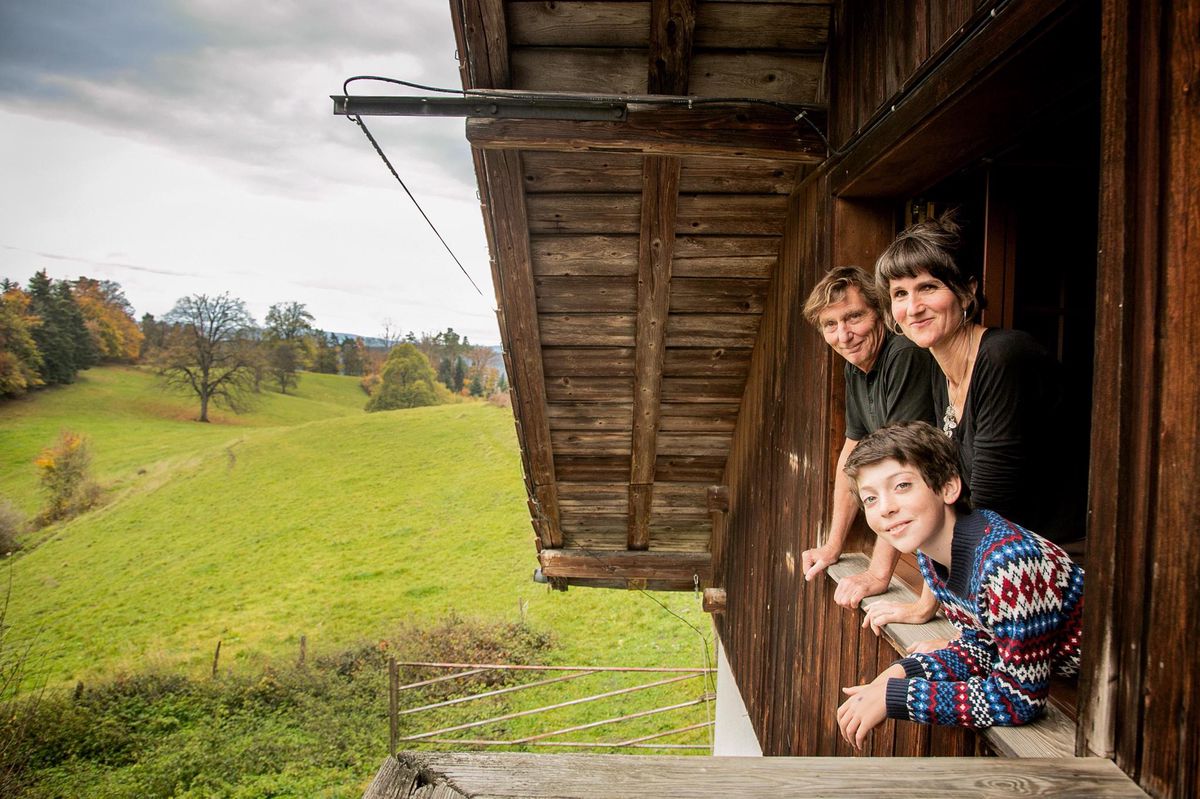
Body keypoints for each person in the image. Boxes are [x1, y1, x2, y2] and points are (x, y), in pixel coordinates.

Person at [835, 422, 1083, 747]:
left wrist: (898, 696)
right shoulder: (931, 555)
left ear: (949, 487)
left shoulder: (1007, 564)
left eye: (902, 485)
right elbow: (981, 644)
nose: (885, 508)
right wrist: (901, 673)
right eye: (870, 498)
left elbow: (1018, 699)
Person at [872, 213, 1083, 551]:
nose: (913, 308)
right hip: (1001, 551)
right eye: (900, 293)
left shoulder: (1003, 357)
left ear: (967, 291)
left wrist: (928, 602)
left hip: (1057, 556)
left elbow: (989, 504)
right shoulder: (941, 369)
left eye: (927, 287)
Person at [798, 266, 939, 613]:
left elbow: (905, 465)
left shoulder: (903, 355)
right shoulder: (856, 367)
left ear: (880, 312)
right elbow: (853, 454)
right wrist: (832, 546)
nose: (844, 336)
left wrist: (878, 573)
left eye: (853, 317)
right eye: (830, 325)